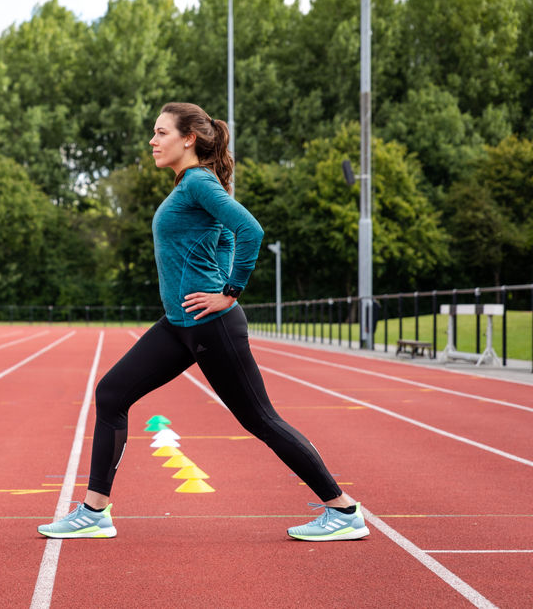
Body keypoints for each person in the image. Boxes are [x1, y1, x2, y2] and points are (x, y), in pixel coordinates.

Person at [38, 102, 368, 542]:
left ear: (188, 138)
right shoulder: (189, 186)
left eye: (160, 133)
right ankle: (95, 511)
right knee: (112, 393)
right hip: (180, 324)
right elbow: (228, 235)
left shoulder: (197, 183)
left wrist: (228, 291)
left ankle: (342, 509)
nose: (152, 141)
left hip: (212, 325)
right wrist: (216, 279)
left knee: (260, 420)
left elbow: (249, 229)